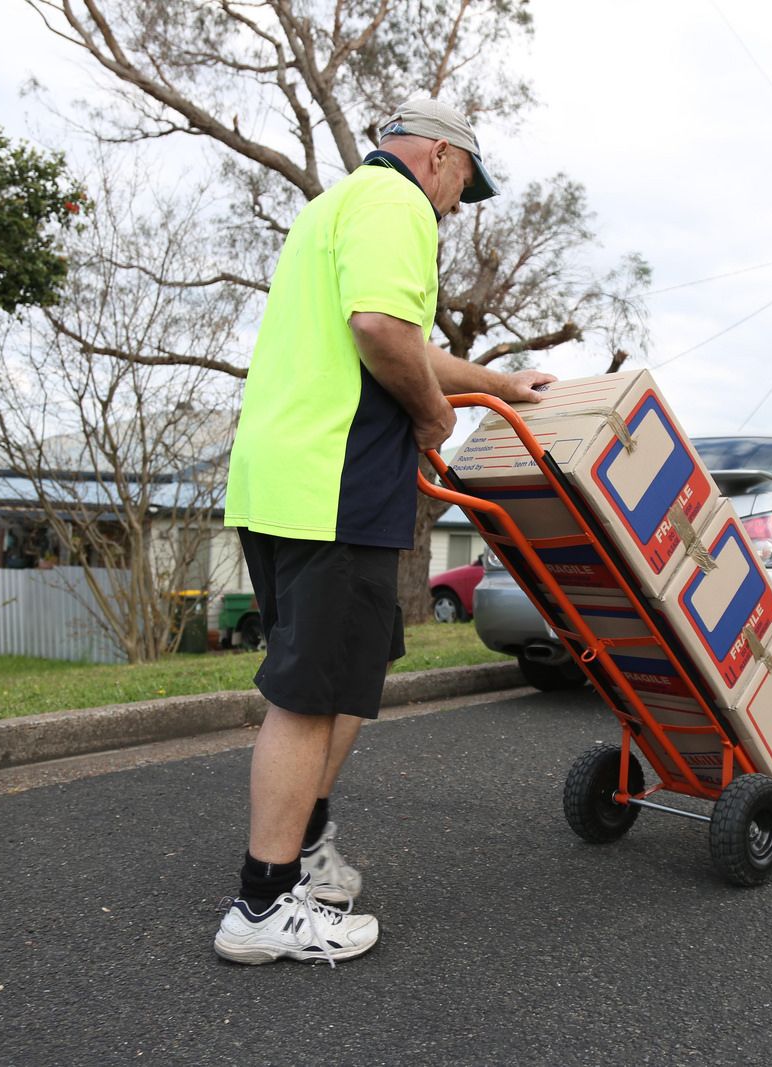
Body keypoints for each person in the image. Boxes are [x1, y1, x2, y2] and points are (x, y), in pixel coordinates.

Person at [213, 98, 555, 966]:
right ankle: (263, 904)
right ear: (439, 157)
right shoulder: (399, 205)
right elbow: (379, 333)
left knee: (350, 674)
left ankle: (305, 850)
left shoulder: (334, 206)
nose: (454, 205)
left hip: (281, 479)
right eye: (462, 187)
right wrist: (438, 417)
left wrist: (499, 383)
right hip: (335, 480)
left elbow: (397, 333)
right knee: (311, 692)